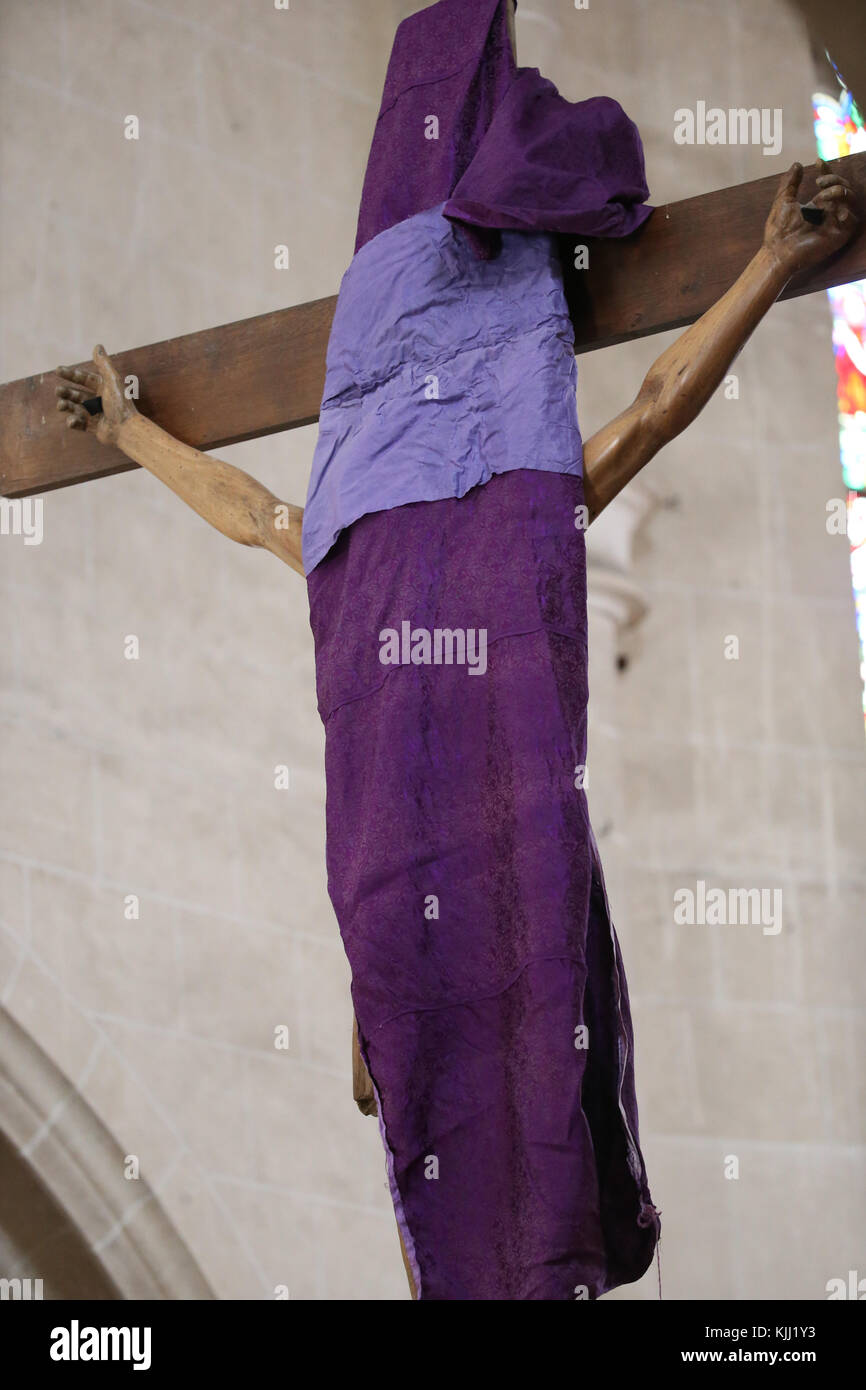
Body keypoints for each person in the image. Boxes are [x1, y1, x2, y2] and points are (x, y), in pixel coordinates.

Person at [55, 0, 859, 1303]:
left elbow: (258, 509)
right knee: (438, 108)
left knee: (436, 110)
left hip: (421, 354)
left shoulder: (436, 530)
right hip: (429, 354)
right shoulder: (457, 522)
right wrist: (763, 264)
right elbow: (638, 418)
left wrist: (772, 262)